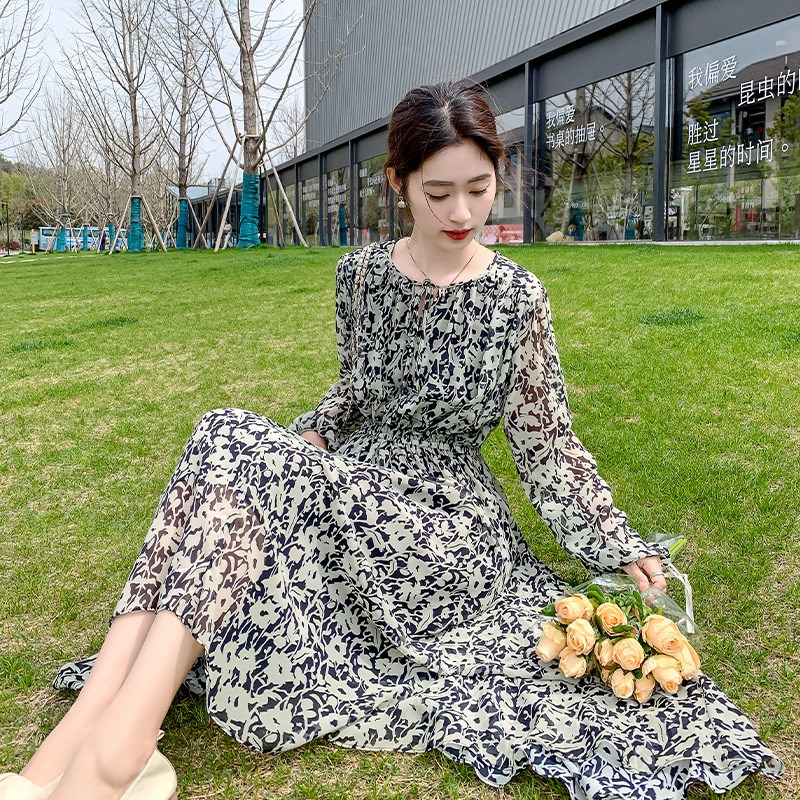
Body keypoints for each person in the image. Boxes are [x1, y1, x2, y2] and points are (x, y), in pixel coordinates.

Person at [3, 82, 783, 800]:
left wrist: (614, 541)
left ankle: (114, 742)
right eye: (437, 192)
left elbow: (547, 448)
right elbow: (355, 389)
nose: (461, 211)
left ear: (498, 177)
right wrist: (311, 435)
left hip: (445, 526)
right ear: (398, 184)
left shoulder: (517, 298)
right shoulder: (359, 276)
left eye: (479, 188)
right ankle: (99, 720)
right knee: (226, 441)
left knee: (229, 443)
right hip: (354, 485)